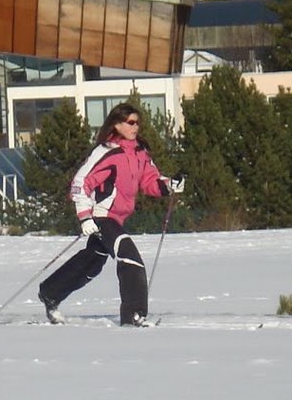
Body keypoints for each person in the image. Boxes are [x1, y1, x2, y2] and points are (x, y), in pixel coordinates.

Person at [38, 103, 185, 327]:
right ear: (117, 124)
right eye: (131, 122)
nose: (136, 126)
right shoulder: (107, 152)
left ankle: (51, 292)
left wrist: (169, 185)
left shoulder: (139, 151)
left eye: (138, 122)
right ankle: (133, 316)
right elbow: (80, 182)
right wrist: (85, 217)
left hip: (117, 217)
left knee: (92, 262)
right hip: (101, 216)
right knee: (129, 256)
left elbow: (150, 181)